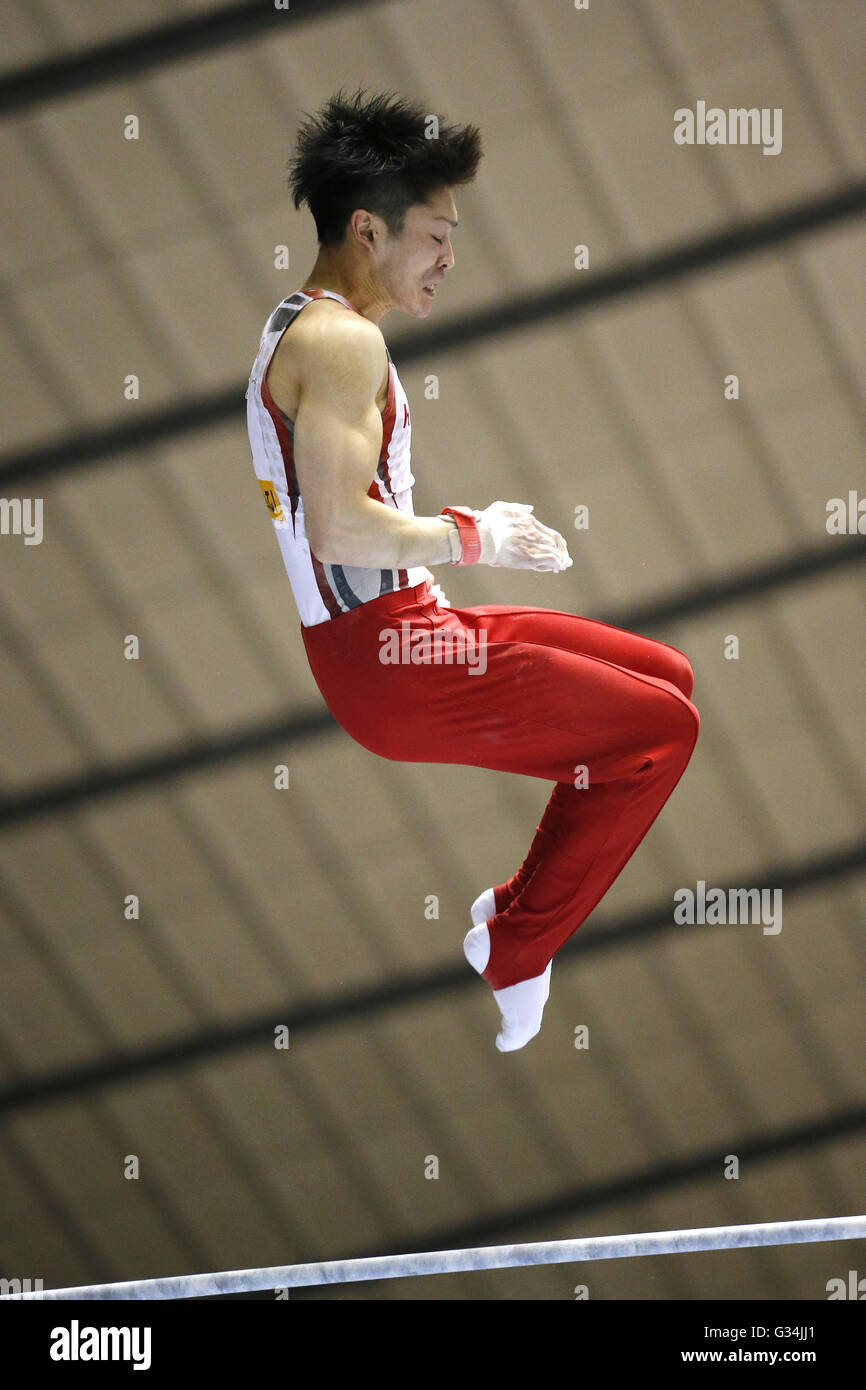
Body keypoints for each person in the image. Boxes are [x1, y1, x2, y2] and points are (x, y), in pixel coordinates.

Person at [246, 88, 700, 1051]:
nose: (453, 258)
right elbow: (333, 528)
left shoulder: (313, 328)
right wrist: (473, 532)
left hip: (404, 632)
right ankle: (517, 948)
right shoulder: (339, 340)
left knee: (667, 682)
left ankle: (513, 918)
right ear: (367, 228)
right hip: (387, 658)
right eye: (437, 236)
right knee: (657, 733)